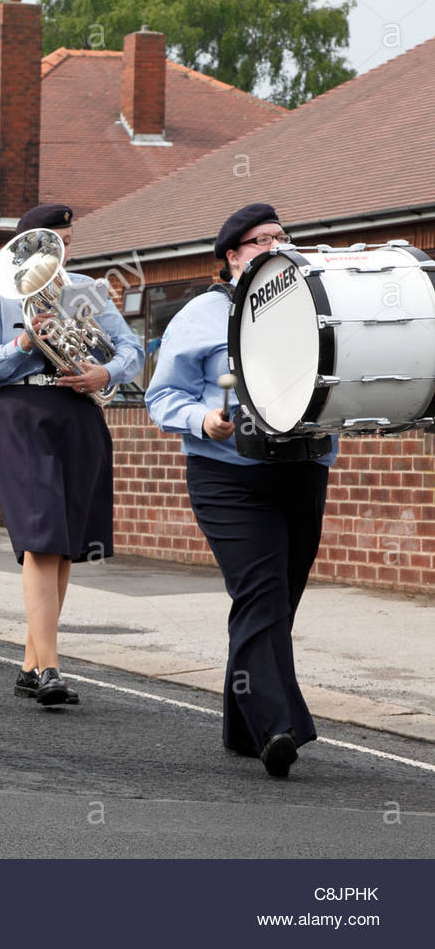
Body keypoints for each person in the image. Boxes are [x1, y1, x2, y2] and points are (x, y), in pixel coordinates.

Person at [146, 203, 334, 779]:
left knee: (281, 600)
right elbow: (162, 396)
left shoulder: (312, 304)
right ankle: (278, 726)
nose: (276, 245)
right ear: (232, 256)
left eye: (282, 236)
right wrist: (203, 419)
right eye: (260, 240)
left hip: (303, 468)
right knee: (261, 593)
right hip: (227, 476)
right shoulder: (201, 316)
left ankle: (239, 721)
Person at [0, 203, 143, 709]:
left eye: (64, 242)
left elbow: (130, 349)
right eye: (48, 243)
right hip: (22, 411)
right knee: (41, 538)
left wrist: (105, 374)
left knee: (63, 544)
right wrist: (24, 339)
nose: (58, 254)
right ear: (22, 248)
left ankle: (28, 665)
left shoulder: (88, 290)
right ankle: (51, 669)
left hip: (79, 412)